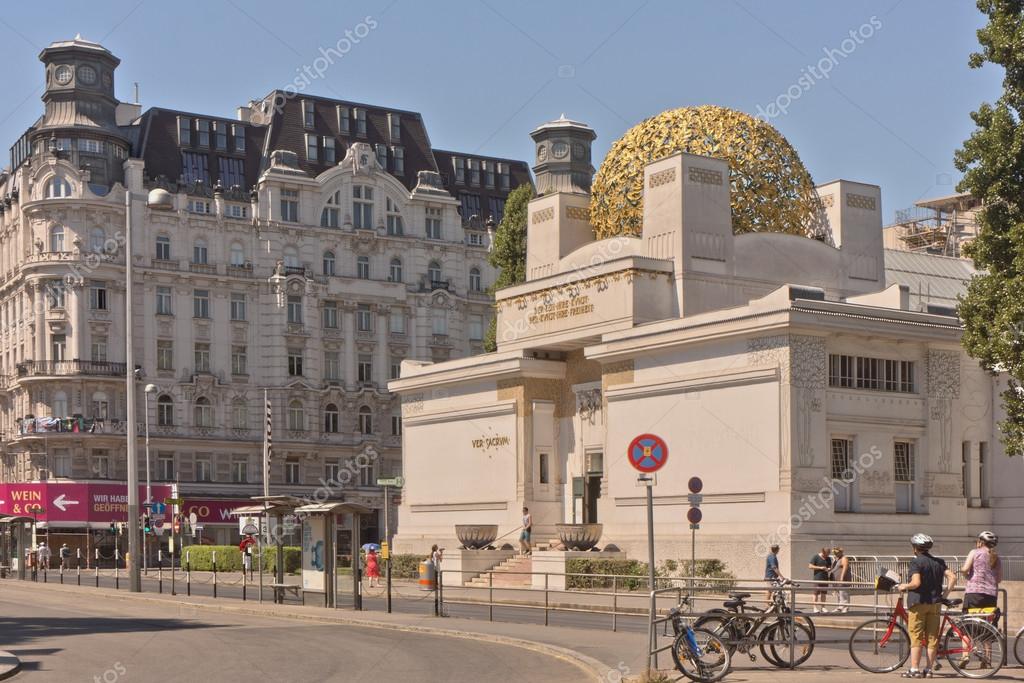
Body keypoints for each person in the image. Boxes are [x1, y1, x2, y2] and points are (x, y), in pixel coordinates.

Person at [895, 533, 957, 679]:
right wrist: (944, 595)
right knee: (932, 638)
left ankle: (914, 669)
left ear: (915, 548)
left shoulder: (916, 562)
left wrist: (904, 586)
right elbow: (953, 577)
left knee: (916, 636)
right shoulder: (939, 562)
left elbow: (916, 583)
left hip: (918, 602)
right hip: (935, 604)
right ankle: (929, 670)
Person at [959, 531, 1001, 668]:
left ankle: (965, 655)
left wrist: (964, 572)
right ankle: (987, 659)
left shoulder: (975, 552)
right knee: (986, 626)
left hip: (974, 593)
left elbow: (965, 569)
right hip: (990, 596)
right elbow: (999, 579)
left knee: (966, 624)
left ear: (981, 542)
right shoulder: (997, 558)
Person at [807, 546, 832, 613]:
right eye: (826, 554)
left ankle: (823, 607)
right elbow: (810, 566)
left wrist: (829, 569)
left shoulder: (828, 558)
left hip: (825, 578)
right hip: (817, 578)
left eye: (828, 554)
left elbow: (829, 566)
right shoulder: (816, 557)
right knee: (816, 593)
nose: (827, 555)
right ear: (823, 552)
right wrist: (820, 568)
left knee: (824, 593)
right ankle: (815, 608)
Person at [830, 546, 852, 613]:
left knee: (843, 593)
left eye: (836, 553)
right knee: (839, 594)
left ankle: (845, 607)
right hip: (836, 579)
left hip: (842, 579)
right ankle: (840, 606)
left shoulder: (844, 558)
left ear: (841, 552)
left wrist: (842, 578)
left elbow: (845, 568)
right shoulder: (836, 559)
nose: (835, 554)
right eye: (834, 553)